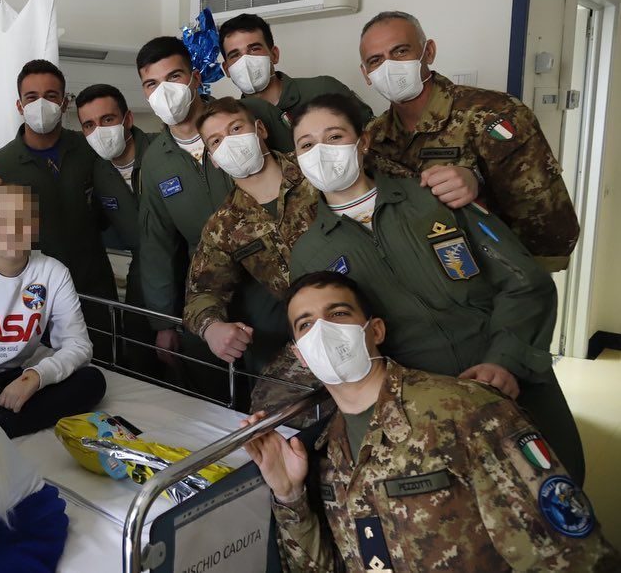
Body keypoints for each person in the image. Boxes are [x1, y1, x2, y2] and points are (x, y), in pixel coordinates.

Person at [288, 92, 584, 481]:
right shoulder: (309, 254)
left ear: (362, 143)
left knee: (558, 494)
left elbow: (525, 282)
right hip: (426, 411)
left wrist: (505, 360)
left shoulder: (435, 199)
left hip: (514, 378)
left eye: (335, 137)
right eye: (307, 145)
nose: (321, 152)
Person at [242, 271, 619, 572]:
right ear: (301, 356)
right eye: (306, 325)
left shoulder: (465, 412)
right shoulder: (326, 453)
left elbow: (571, 557)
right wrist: (289, 496)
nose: (323, 331)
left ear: (375, 331)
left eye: (338, 314)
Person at [359, 10, 579, 270]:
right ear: (366, 75)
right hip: (424, 280)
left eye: (400, 51)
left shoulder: (495, 114)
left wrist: (477, 181)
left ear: (428, 52)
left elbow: (547, 218)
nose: (389, 66)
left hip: (499, 276)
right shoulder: (374, 136)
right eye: (376, 60)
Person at [136, 36, 292, 393]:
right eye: (151, 84)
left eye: (173, 77)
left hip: (276, 280)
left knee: (279, 383)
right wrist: (163, 321)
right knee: (214, 390)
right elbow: (157, 243)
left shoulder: (240, 119)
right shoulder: (157, 161)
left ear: (194, 77)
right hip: (208, 287)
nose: (165, 91)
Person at [0, 59, 118, 350]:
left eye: (51, 96)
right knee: (39, 369)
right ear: (19, 106)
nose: (42, 104)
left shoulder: (87, 149)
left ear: (64, 103)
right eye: (32, 97)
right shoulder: (1, 164)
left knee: (104, 364)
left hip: (92, 286)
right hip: (31, 296)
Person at [182, 98, 321, 415]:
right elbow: (201, 293)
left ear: (260, 130)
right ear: (214, 159)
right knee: (267, 412)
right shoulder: (225, 225)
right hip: (309, 336)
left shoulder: (314, 170)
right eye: (216, 141)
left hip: (370, 307)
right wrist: (211, 327)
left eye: (236, 129)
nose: (228, 142)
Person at [0, 184, 106, 438]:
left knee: (92, 382)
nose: (13, 229)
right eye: (2, 219)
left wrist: (35, 377)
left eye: (23, 219)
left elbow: (79, 346)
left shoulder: (52, 272)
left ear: (35, 225)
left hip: (16, 375)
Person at [75, 83, 163, 374]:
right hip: (142, 272)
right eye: (89, 125)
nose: (98, 131)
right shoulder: (97, 172)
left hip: (190, 268)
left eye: (107, 120)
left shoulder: (163, 153)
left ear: (127, 120)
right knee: (140, 356)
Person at [218, 12, 373, 138]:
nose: (245, 60)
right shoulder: (232, 123)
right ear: (226, 69)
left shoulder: (324, 90)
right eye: (235, 55)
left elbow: (375, 138)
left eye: (254, 49)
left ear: (274, 55)